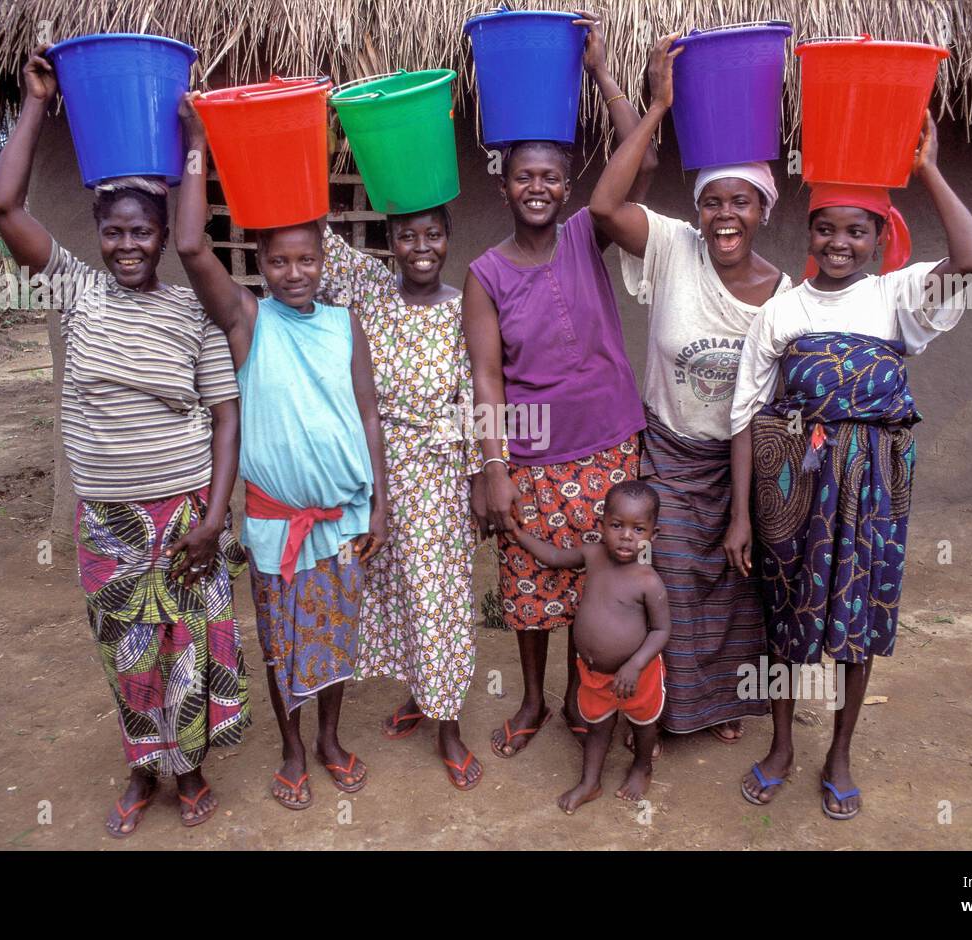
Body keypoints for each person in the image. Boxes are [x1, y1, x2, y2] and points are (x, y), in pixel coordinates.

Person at [0, 45, 251, 837]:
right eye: (116, 232)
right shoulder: (76, 293)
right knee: (127, 653)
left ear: (164, 236)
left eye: (145, 231)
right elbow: (6, 209)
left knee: (188, 651)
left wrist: (214, 515)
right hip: (109, 519)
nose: (131, 245)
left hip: (184, 517)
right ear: (99, 233)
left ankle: (193, 769)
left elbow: (226, 416)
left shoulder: (190, 314)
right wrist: (37, 101)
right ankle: (144, 769)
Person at [731, 111, 972, 820]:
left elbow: (971, 260)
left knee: (859, 612)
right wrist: (740, 517)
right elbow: (746, 416)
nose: (838, 242)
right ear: (808, 234)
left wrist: (928, 168)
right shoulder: (781, 312)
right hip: (794, 480)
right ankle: (782, 744)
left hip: (873, 483)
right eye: (825, 228)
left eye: (856, 230)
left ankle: (839, 749)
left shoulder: (895, 298)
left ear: (880, 239)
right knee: (785, 613)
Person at [176, 94, 389, 809]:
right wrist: (197, 146)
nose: (294, 271)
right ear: (261, 261)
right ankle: (294, 747)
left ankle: (329, 739)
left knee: (333, 641)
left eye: (307, 258)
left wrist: (380, 506)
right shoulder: (247, 319)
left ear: (324, 259)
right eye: (280, 259)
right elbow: (190, 247)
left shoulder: (343, 323)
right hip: (275, 524)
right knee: (280, 645)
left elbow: (367, 412)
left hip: (344, 518)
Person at [463, 11, 657, 758]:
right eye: (523, 176)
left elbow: (640, 168)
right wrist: (494, 470)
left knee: (606, 586)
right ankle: (536, 701)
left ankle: (600, 696)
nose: (537, 188)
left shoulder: (587, 232)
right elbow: (486, 379)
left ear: (567, 180)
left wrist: (605, 75)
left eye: (550, 175)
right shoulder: (485, 273)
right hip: (535, 461)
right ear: (504, 184)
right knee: (531, 593)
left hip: (610, 447)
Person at [591, 35, 790, 753]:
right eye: (712, 201)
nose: (724, 214)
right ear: (698, 209)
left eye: (740, 201)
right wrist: (657, 107)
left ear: (763, 209)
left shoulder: (782, 298)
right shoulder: (673, 246)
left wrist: (742, 511)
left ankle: (719, 704)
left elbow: (757, 411)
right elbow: (606, 204)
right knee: (670, 580)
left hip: (734, 460)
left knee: (735, 584)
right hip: (668, 453)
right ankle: (669, 709)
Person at [316, 208, 486, 789]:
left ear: (448, 238)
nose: (421, 248)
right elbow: (316, 234)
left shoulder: (466, 307)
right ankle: (419, 693)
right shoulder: (368, 288)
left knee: (438, 601)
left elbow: (474, 398)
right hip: (368, 475)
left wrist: (480, 478)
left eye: (434, 235)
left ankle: (449, 727)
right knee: (382, 593)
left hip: (436, 481)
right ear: (390, 241)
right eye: (408, 236)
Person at [510, 481, 672, 813]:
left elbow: (661, 630)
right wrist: (518, 534)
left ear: (653, 535)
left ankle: (642, 766)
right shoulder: (593, 555)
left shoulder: (648, 580)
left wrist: (636, 663)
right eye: (617, 526)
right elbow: (554, 557)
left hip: (636, 676)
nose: (626, 536)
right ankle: (590, 782)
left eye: (637, 529)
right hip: (595, 675)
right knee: (598, 729)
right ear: (602, 526)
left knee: (643, 725)